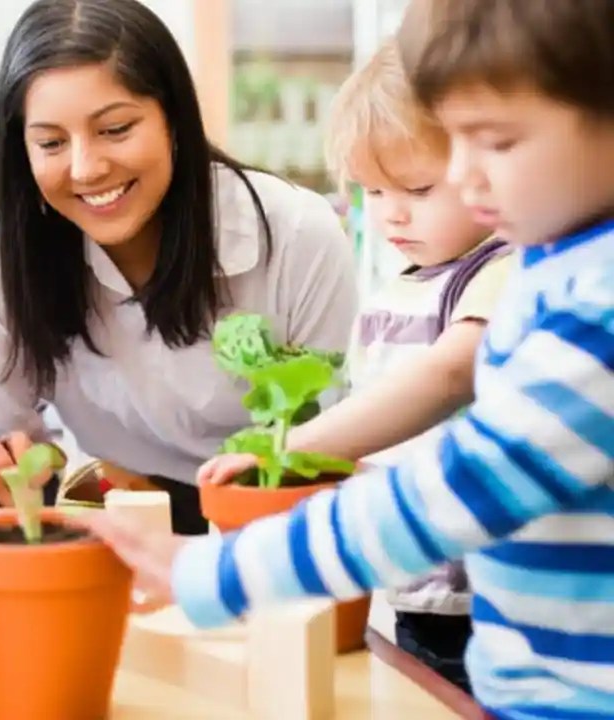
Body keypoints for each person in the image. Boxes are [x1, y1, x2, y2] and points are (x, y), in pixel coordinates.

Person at [84, 0, 614, 715]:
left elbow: (457, 488)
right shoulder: (558, 264)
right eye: (455, 142)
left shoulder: (593, 310)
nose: (468, 177)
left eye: (497, 141)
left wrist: (220, 571)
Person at [0, 0, 359, 534]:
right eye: (50, 142)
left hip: (267, 533)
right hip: (104, 526)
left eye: (115, 129)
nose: (86, 168)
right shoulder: (8, 253)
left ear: (173, 119)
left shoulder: (295, 234)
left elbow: (334, 445)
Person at [198, 41, 514, 692]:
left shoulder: (501, 270)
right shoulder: (400, 284)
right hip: (414, 583)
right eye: (373, 189)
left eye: (418, 188)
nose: (391, 211)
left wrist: (293, 447)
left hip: (485, 591)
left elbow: (449, 375)